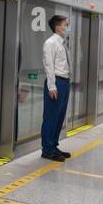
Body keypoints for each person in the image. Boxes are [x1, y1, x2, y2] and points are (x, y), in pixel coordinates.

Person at [41, 14, 72, 161]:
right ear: (57, 27)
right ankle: (47, 149)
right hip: (56, 83)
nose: (68, 27)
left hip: (65, 82)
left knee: (59, 117)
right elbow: (49, 66)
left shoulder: (62, 43)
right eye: (66, 24)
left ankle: (53, 145)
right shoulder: (50, 43)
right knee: (51, 117)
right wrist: (51, 86)